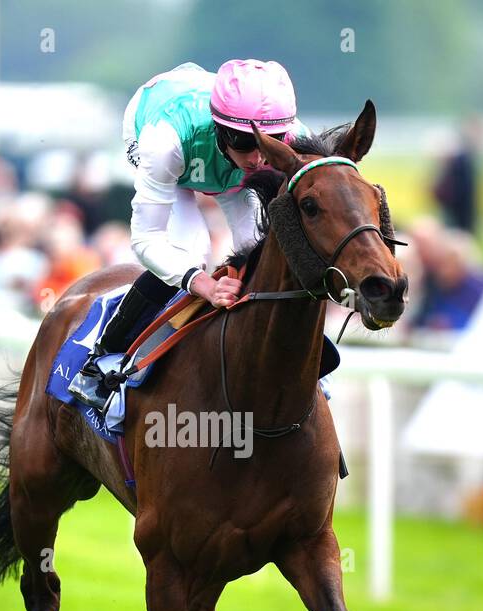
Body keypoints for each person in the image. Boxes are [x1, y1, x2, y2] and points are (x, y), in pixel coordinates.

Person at [70, 59, 306, 410]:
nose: (257, 159)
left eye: (268, 143)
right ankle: (100, 361)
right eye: (245, 143)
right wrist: (205, 285)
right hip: (155, 119)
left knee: (258, 248)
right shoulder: (164, 142)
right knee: (189, 249)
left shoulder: (294, 136)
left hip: (213, 148)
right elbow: (146, 240)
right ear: (222, 131)